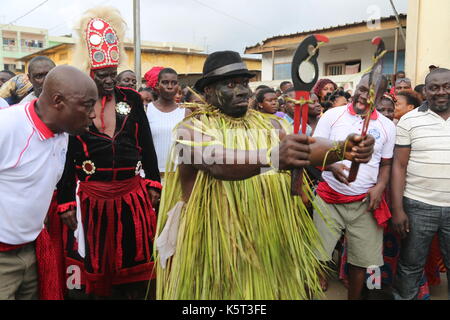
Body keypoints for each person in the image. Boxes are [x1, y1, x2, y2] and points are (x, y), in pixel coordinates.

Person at [154, 50, 376, 300]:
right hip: (216, 245)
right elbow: (215, 161)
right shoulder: (191, 128)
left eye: (243, 83)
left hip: (267, 242)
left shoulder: (270, 124)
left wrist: (342, 149)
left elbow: (305, 147)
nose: (241, 91)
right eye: (230, 84)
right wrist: (272, 158)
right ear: (208, 91)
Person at [57, 6, 161, 299]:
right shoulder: (79, 101)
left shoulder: (131, 98)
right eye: (103, 74)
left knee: (137, 265)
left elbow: (147, 143)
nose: (109, 80)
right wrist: (66, 200)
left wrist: (153, 181)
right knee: (101, 272)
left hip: (132, 196)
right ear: (91, 71)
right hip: (94, 199)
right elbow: (67, 155)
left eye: (113, 74)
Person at [0, 65, 98, 300]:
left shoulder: (63, 134)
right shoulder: (7, 127)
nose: (93, 114)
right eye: (87, 105)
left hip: (31, 249)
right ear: (58, 101)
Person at [312, 73, 396, 300]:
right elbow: (313, 153)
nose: (362, 96)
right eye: (361, 89)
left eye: (370, 93)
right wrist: (330, 167)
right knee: (318, 255)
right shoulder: (332, 115)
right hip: (328, 198)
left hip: (365, 203)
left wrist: (380, 187)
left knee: (363, 261)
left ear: (380, 97)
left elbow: (387, 164)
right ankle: (312, 289)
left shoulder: (387, 126)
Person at [391, 68, 450, 300]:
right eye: (434, 87)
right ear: (425, 91)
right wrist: (397, 210)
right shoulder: (409, 120)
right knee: (410, 267)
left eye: (446, 86)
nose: (441, 92)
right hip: (418, 206)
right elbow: (399, 166)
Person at [146, 68, 185, 181]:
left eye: (174, 83)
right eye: (165, 82)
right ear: (157, 85)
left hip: (178, 178)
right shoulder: (147, 110)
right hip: (152, 176)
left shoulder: (185, 112)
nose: (170, 86)